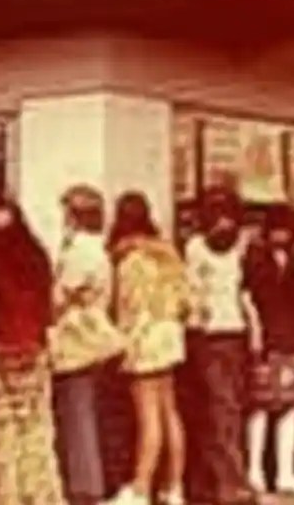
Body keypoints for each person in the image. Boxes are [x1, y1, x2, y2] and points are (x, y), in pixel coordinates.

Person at [0, 198, 66, 505]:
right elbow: (49, 306)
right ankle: (38, 494)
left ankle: (4, 496)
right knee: (35, 428)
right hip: (33, 350)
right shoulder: (37, 256)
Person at [105, 192, 193, 505]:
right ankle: (174, 486)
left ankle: (140, 487)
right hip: (171, 334)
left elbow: (127, 307)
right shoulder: (168, 254)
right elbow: (187, 301)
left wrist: (121, 342)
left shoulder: (130, 259)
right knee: (170, 411)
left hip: (144, 336)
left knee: (147, 415)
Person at [49, 185, 122, 505]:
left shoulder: (80, 251)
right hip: (95, 335)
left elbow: (61, 295)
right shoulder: (100, 249)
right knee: (86, 407)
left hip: (76, 337)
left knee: (76, 410)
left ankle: (84, 483)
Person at [184, 186, 255, 505]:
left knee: (215, 410)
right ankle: (230, 480)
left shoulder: (197, 247)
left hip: (209, 334)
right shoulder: (241, 245)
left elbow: (193, 293)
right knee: (229, 409)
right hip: (235, 332)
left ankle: (227, 484)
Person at [243, 204, 294, 498]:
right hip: (268, 337)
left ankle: (285, 471)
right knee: (260, 404)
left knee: (289, 404)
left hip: (292, 337)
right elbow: (247, 295)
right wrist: (255, 329)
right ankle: (255, 470)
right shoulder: (255, 256)